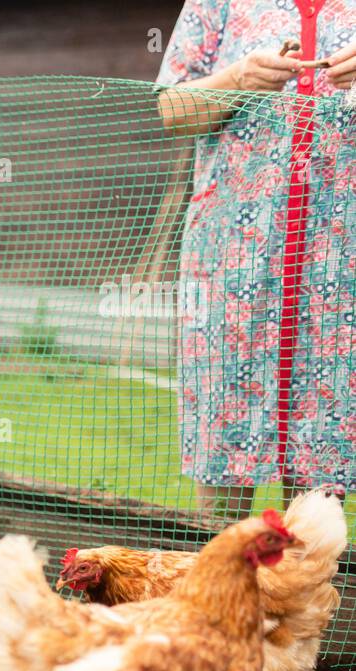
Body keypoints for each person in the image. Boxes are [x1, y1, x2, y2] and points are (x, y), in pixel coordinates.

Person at [155, 1, 356, 518]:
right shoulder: (216, 3)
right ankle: (226, 592)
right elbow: (173, 110)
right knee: (226, 435)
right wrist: (240, 76)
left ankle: (308, 590)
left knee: (324, 448)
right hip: (233, 260)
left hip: (340, 265)